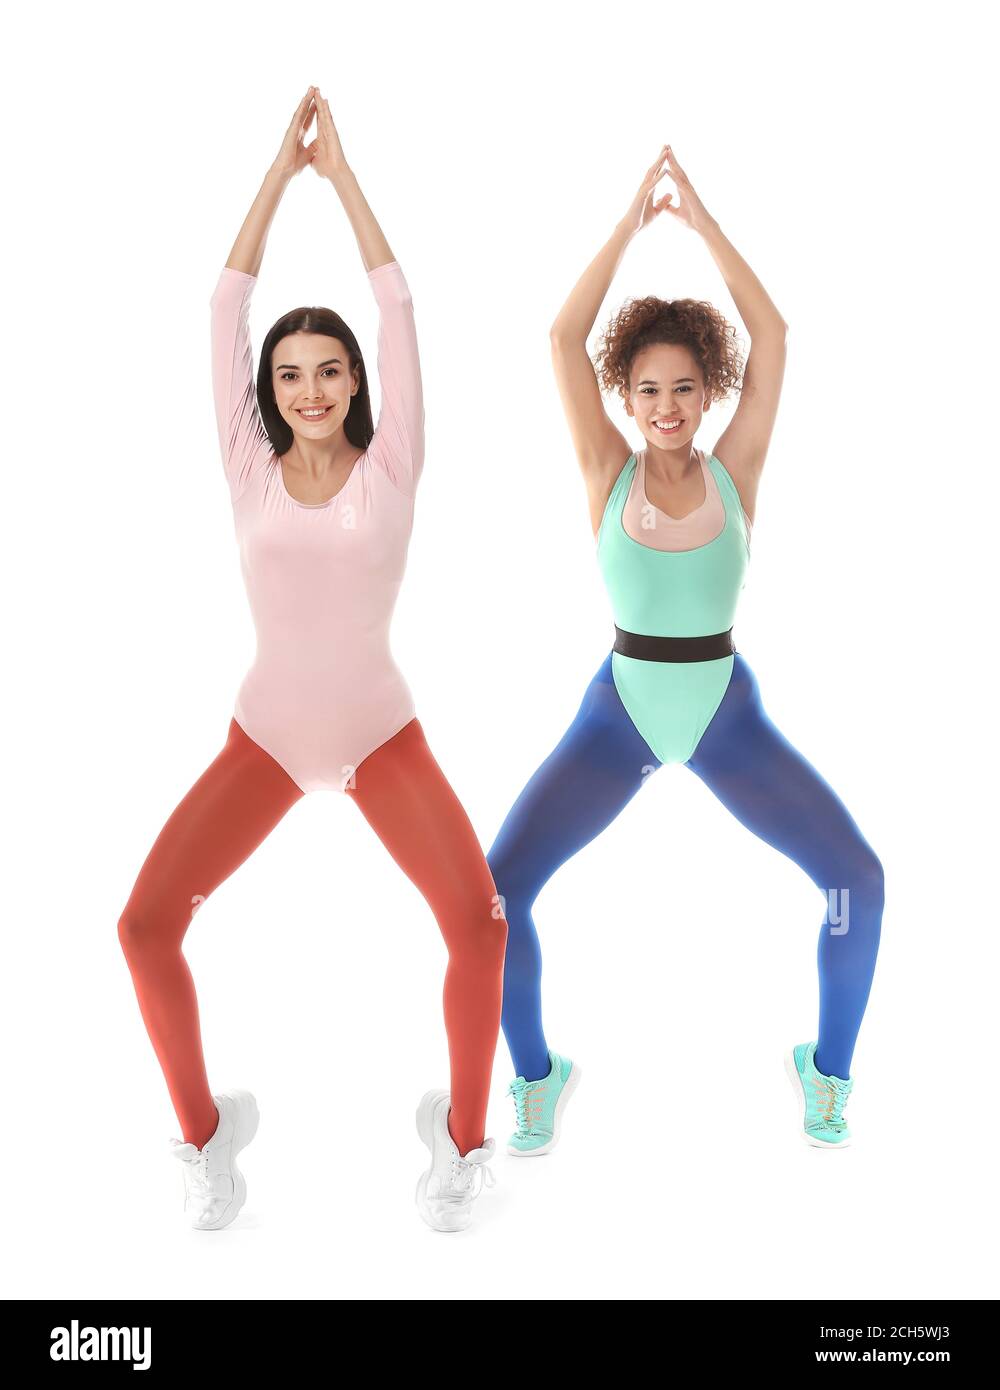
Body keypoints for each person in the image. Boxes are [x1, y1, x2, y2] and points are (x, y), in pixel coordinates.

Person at [118, 87, 506, 1233]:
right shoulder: (247, 466)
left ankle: (463, 1140)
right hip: (268, 739)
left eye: (328, 370)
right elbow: (222, 306)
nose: (310, 388)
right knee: (142, 927)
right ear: (268, 394)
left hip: (382, 735)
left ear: (356, 382)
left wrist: (338, 179)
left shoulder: (395, 466)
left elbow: (398, 308)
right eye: (289, 374)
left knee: (479, 925)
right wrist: (274, 180)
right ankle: (204, 1135)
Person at [487, 144, 885, 1155]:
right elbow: (562, 334)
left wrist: (702, 225)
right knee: (496, 893)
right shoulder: (603, 469)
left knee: (854, 879)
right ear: (624, 395)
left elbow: (776, 333)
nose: (666, 406)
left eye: (684, 388)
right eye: (647, 389)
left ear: (710, 392)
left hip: (724, 715)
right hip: (616, 714)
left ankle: (826, 1073)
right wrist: (630, 223)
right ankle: (537, 1076)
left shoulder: (734, 472)